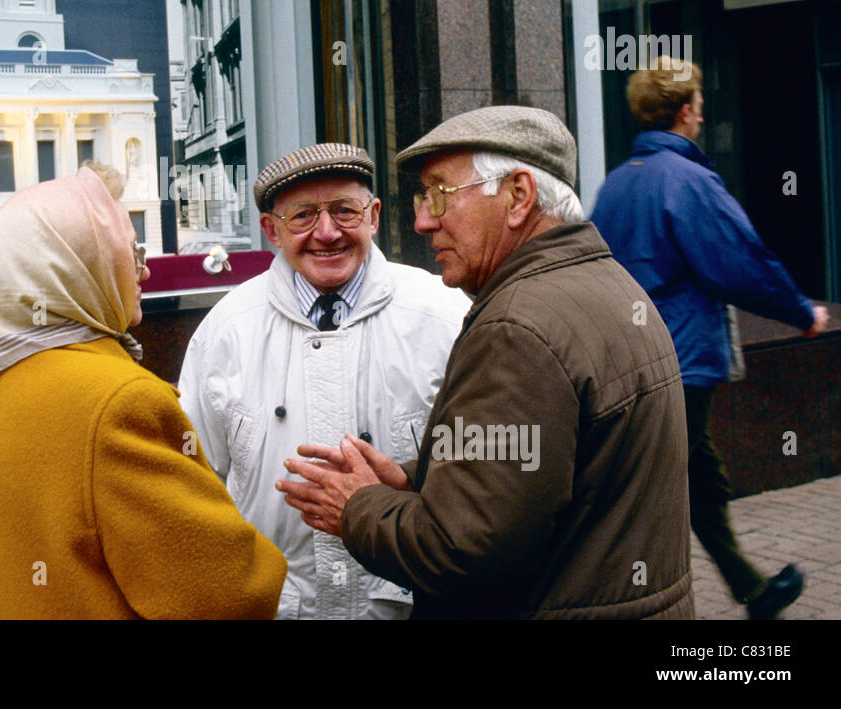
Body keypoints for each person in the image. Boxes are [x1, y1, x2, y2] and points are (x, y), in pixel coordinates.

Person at [277, 107, 695, 619]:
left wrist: (358, 505)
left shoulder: (517, 330)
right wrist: (420, 483)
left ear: (518, 196)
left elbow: (461, 555)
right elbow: (544, 484)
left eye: (439, 194)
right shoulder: (605, 284)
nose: (423, 220)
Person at [0, 163, 286, 618]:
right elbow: (228, 594)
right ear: (72, 266)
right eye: (127, 251)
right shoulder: (117, 401)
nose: (144, 272)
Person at [177, 143, 470, 618]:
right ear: (271, 230)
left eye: (344, 211)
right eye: (303, 216)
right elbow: (193, 486)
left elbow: (478, 488)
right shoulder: (227, 329)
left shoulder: (445, 315)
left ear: (373, 216)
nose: (327, 232)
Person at [591, 57, 829, 620]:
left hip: (634, 359)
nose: (701, 114)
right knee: (657, 489)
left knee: (701, 475)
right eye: (696, 104)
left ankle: (753, 590)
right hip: (682, 360)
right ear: (685, 112)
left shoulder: (618, 185)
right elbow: (740, 261)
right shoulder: (688, 181)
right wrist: (801, 310)